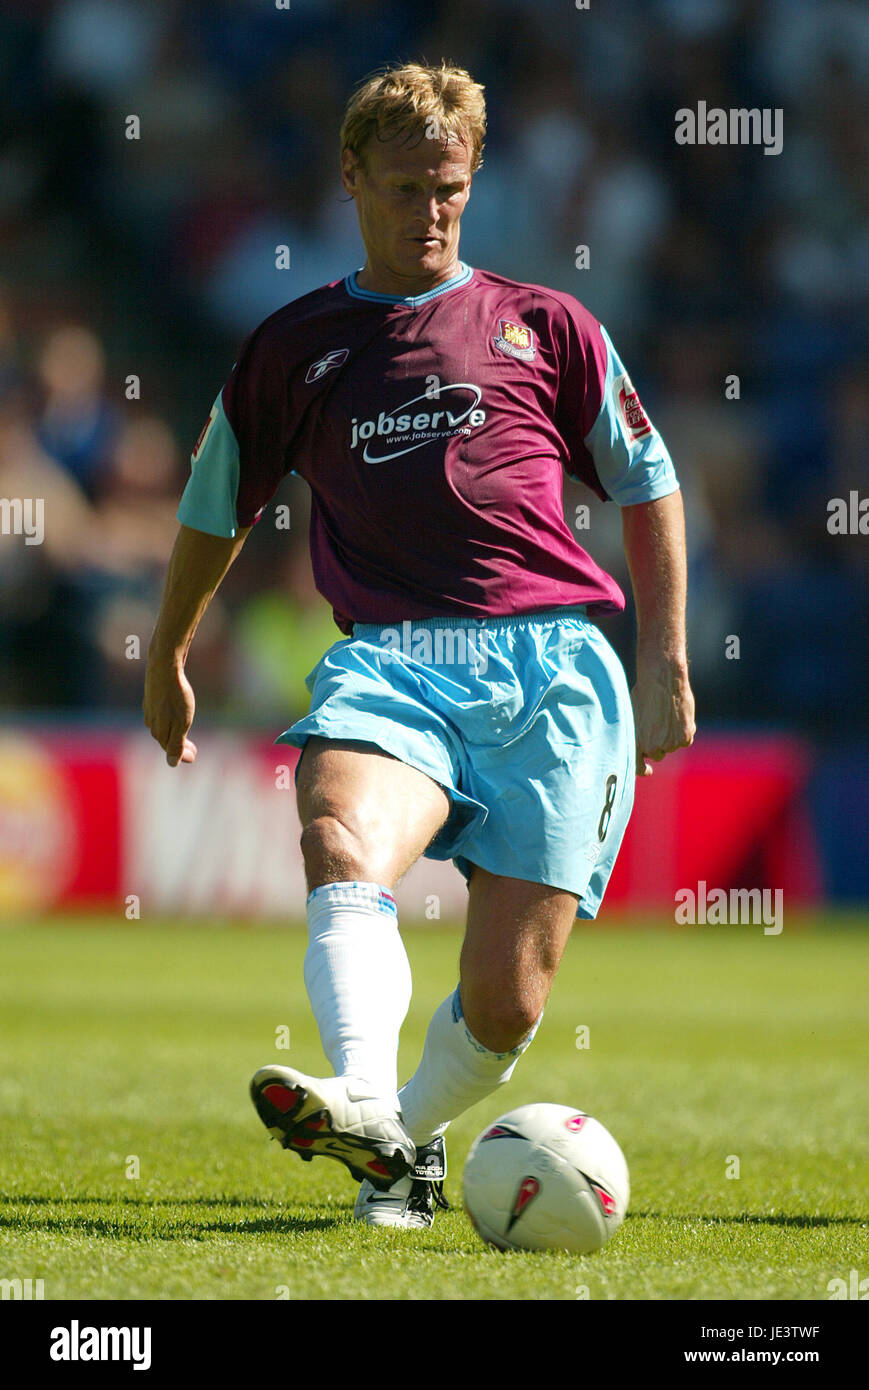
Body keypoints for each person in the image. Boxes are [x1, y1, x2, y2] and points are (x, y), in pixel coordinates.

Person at [143, 62, 696, 1230]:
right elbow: (213, 506)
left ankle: (396, 1143)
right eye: (402, 186)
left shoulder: (548, 323)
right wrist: (167, 652)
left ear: (472, 176)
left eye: (447, 186)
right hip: (393, 661)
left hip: (557, 668)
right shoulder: (295, 346)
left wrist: (665, 659)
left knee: (504, 1002)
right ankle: (354, 1093)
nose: (428, 209)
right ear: (350, 180)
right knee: (337, 832)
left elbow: (649, 482)